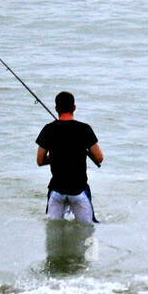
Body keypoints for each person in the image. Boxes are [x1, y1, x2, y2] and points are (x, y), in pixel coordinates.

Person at [36, 91, 104, 222]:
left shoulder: (48, 129)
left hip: (56, 190)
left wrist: (58, 155)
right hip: (79, 190)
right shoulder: (85, 129)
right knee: (87, 232)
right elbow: (99, 158)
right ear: (74, 107)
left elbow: (40, 160)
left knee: (52, 236)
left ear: (56, 108)